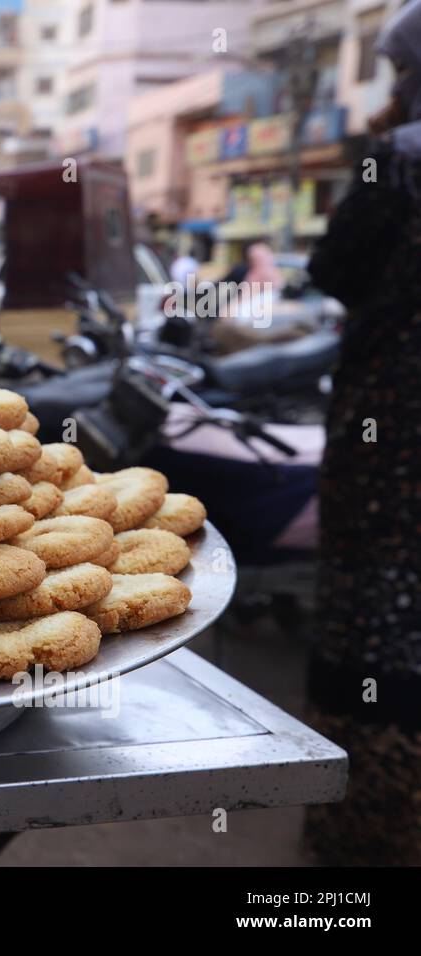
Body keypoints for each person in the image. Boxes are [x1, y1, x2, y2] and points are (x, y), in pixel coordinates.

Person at [302, 1, 421, 865]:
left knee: (373, 622)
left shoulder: (400, 160)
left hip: (394, 449)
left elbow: (334, 267)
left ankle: (366, 841)